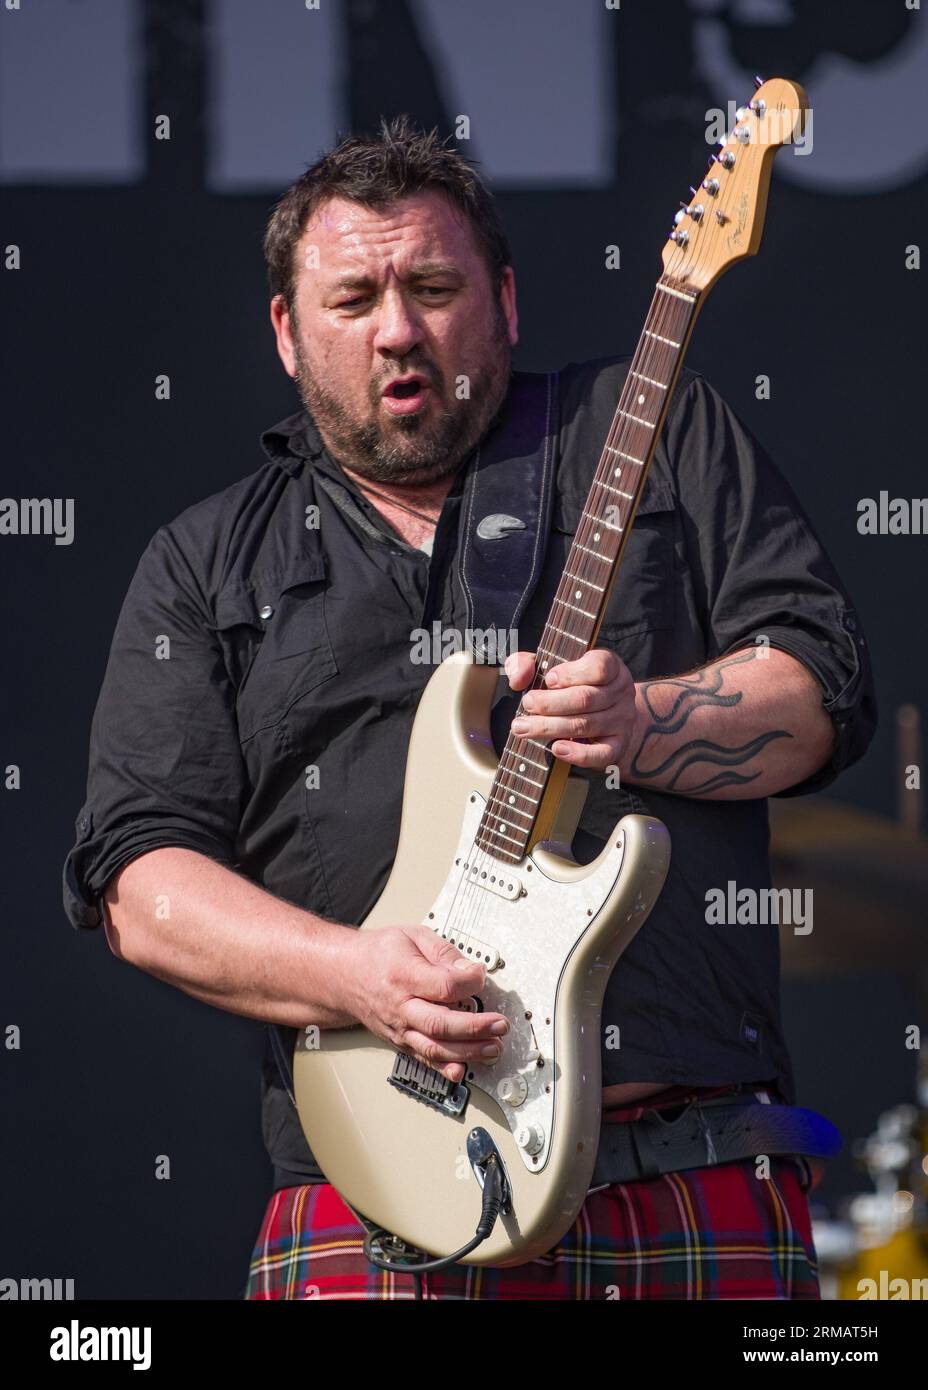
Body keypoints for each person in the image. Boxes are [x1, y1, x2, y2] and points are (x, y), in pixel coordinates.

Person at [63, 116, 876, 1300]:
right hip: (380, 1187)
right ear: (288, 334)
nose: (399, 328)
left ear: (502, 297)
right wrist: (354, 976)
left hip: (691, 1167)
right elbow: (137, 884)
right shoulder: (204, 562)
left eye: (434, 286)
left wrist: (647, 723)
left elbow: (821, 688)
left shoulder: (657, 435)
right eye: (353, 300)